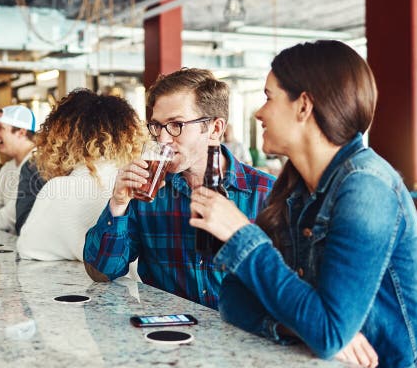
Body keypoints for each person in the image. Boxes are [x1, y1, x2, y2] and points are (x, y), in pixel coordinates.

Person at [189, 40, 417, 368]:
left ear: (304, 105)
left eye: (268, 97)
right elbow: (231, 298)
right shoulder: (295, 186)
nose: (258, 113)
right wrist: (300, 324)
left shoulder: (366, 186)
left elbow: (327, 332)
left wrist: (241, 235)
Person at [83, 68, 275, 309]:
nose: (162, 139)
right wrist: (118, 203)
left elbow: (286, 292)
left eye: (176, 125)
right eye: (157, 126)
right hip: (164, 336)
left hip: (240, 338)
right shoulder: (148, 190)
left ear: (215, 129)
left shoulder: (267, 194)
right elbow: (101, 271)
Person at [18, 89, 144, 261]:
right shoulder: (137, 186)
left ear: (61, 139)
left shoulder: (58, 189)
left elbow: (27, 248)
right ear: (128, 135)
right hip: (133, 287)